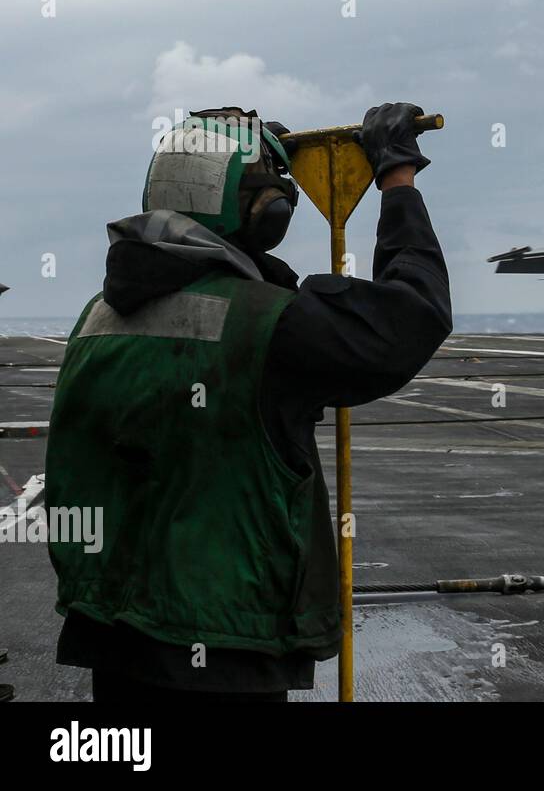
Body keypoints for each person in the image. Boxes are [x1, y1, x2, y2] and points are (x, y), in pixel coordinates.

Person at [45, 102, 452, 701]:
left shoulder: (98, 316)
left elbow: (232, 302)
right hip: (226, 645)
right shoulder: (269, 329)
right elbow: (411, 321)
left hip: (113, 634)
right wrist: (397, 181)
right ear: (267, 217)